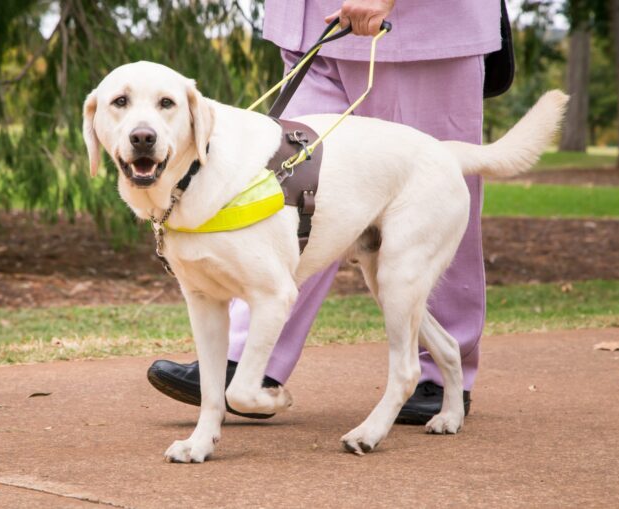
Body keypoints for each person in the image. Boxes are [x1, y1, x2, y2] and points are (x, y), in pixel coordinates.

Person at [147, 0, 503, 423]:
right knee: (279, 196)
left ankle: (439, 372)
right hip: (312, 25)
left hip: (417, 31)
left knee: (429, 192)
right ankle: (247, 363)